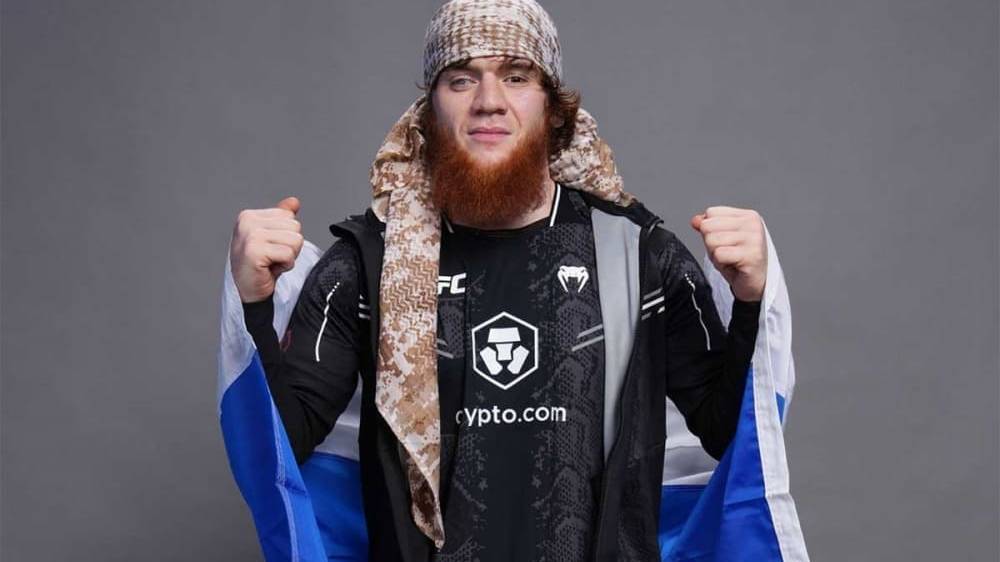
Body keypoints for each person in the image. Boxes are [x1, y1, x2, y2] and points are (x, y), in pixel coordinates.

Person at [228, 0, 769, 559]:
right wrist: (253, 305)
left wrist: (753, 301)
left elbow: (730, 435)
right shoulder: (371, 263)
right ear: (429, 111)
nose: (489, 100)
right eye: (461, 80)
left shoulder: (637, 255)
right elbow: (280, 450)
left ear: (554, 108)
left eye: (516, 76)